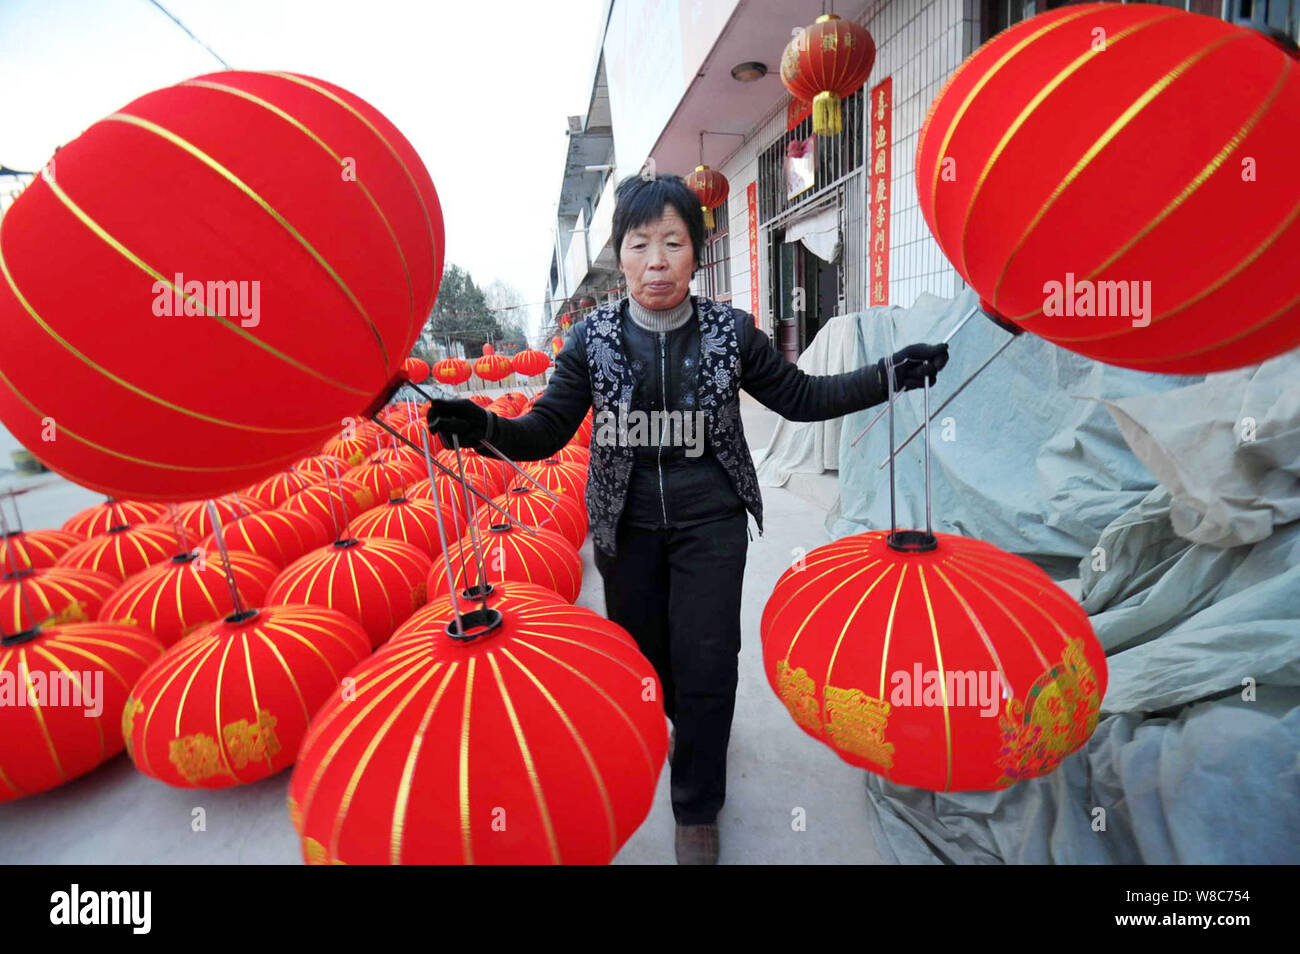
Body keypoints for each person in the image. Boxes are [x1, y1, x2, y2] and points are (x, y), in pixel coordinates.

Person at [428, 173, 948, 864]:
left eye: (673, 242)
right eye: (640, 244)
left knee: (707, 659)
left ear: (696, 255)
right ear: (622, 254)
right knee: (648, 663)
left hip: (712, 519)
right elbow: (549, 430)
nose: (656, 260)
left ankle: (696, 803)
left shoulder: (731, 333)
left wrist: (888, 374)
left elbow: (800, 395)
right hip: (626, 525)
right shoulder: (593, 338)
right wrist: (483, 425)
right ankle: (689, 729)